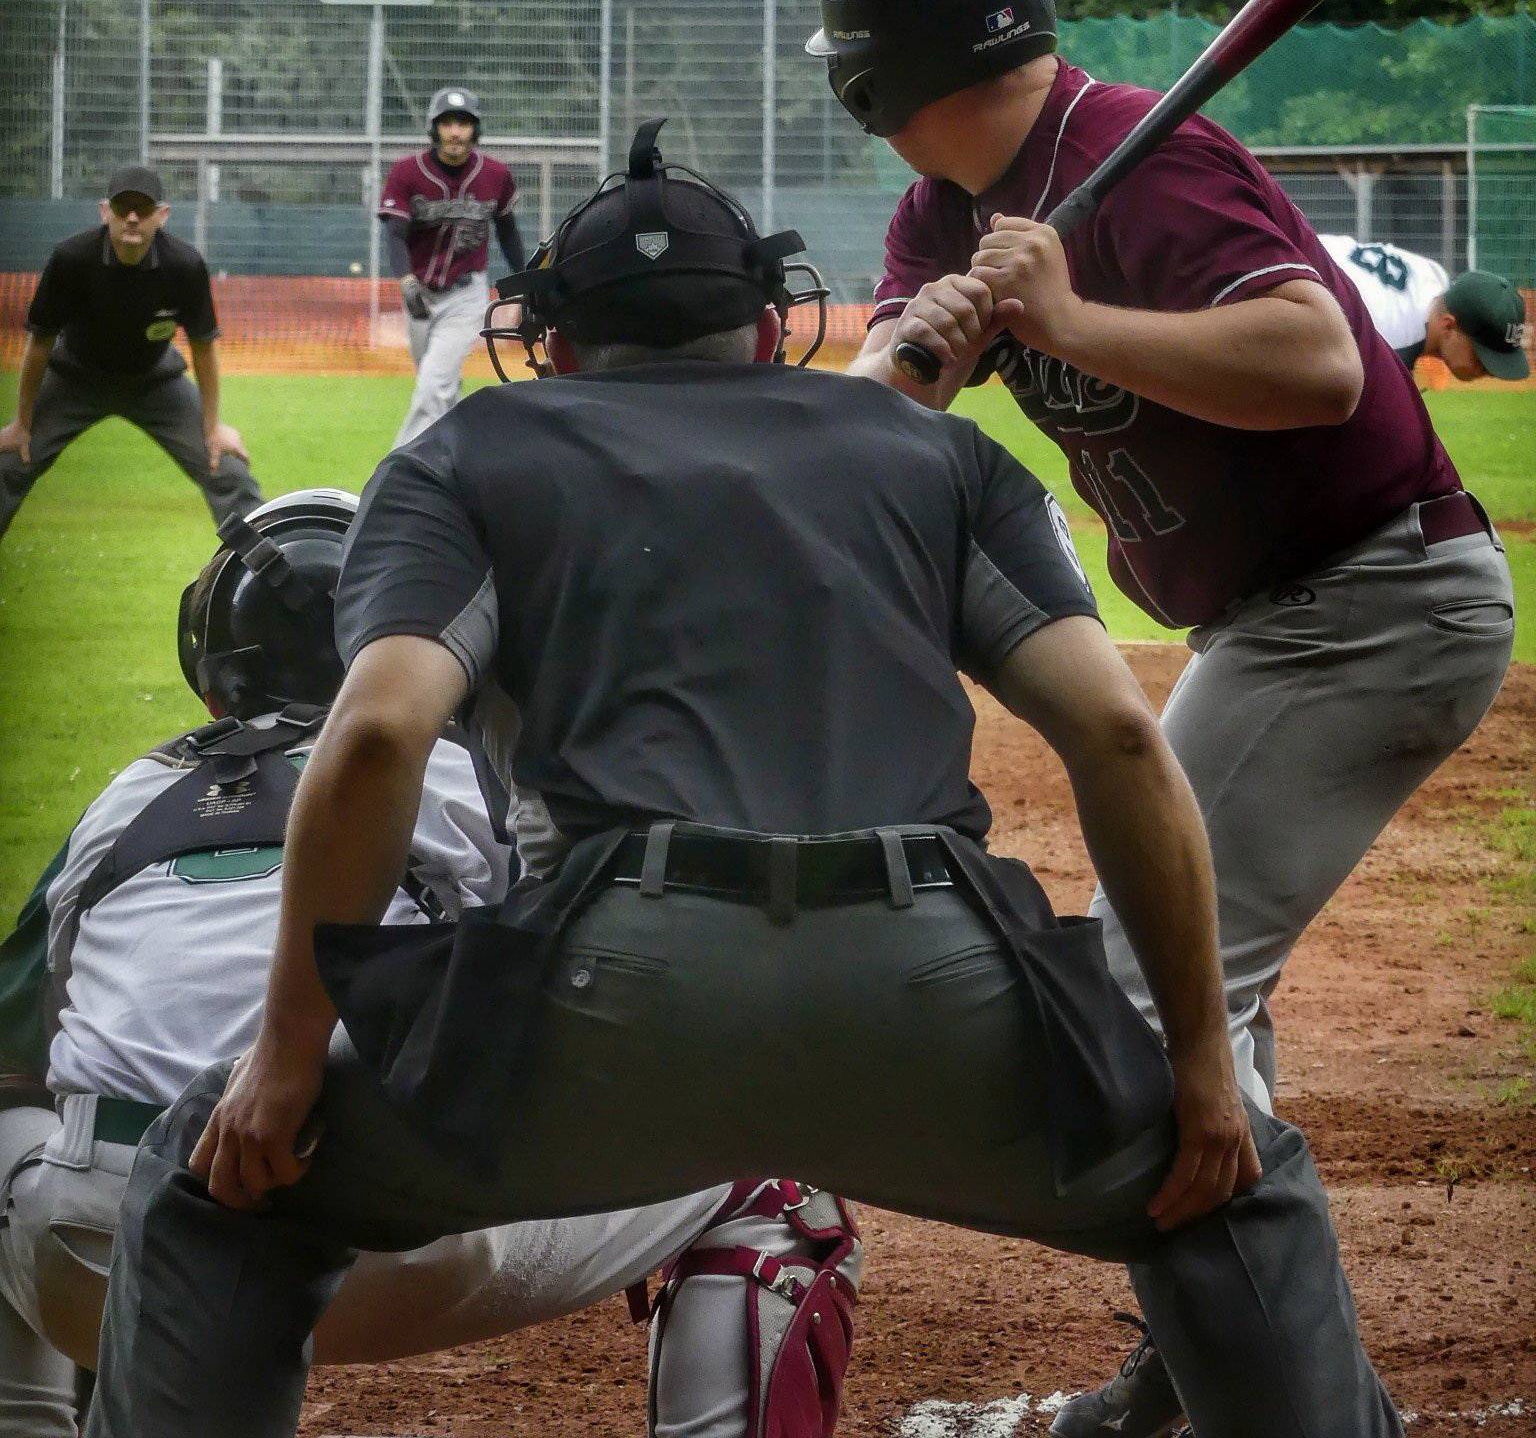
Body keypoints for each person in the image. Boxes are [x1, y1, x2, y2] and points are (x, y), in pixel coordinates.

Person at [86, 124, 1401, 1438]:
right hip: (933, 982)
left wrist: (287, 1058)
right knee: (1236, 1187)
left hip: (602, 1003)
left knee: (216, 1187)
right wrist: (1198, 1074)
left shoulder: (469, 452)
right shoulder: (942, 459)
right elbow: (1117, 736)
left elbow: (375, 740)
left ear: (552, 341)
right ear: (773, 327)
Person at [807, 0, 1515, 1435]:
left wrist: (1069, 316)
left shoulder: (1150, 149)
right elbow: (868, 424)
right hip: (1276, 623)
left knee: (1149, 993)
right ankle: (1196, 1387)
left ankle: (1289, 1408)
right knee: (1194, 996)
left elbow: (1323, 370)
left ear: (874, 78)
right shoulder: (945, 214)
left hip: (1376, 596)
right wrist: (915, 348)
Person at [0, 488, 858, 1438]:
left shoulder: (122, 803)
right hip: (386, 1248)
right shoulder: (460, 773)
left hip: (100, 1258)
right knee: (772, 1172)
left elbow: (16, 1061)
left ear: (210, 685)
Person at [0, 165, 261, 542]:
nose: (133, 218)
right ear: (105, 211)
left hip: (155, 381)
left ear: (163, 215)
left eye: (144, 209)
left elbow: (204, 349)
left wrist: (213, 428)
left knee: (228, 471)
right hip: (74, 379)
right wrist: (21, 425)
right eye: (124, 209)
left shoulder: (184, 266)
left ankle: (269, 575)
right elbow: (39, 344)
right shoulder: (71, 259)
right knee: (9, 464)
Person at [379, 86, 526, 446]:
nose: (456, 131)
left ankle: (399, 464)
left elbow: (508, 232)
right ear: (435, 129)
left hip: (466, 294)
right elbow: (394, 234)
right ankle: (468, 448)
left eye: (463, 123)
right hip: (421, 295)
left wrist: (525, 284)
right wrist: (407, 281)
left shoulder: (495, 175)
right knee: (438, 389)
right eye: (448, 123)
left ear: (475, 130)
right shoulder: (407, 172)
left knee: (433, 385)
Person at [1318, 236, 1529, 381]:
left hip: (1315, 249)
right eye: (1482, 358)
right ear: (1447, 326)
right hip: (1296, 274)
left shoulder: (1434, 276)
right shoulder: (1393, 341)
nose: (1490, 372)